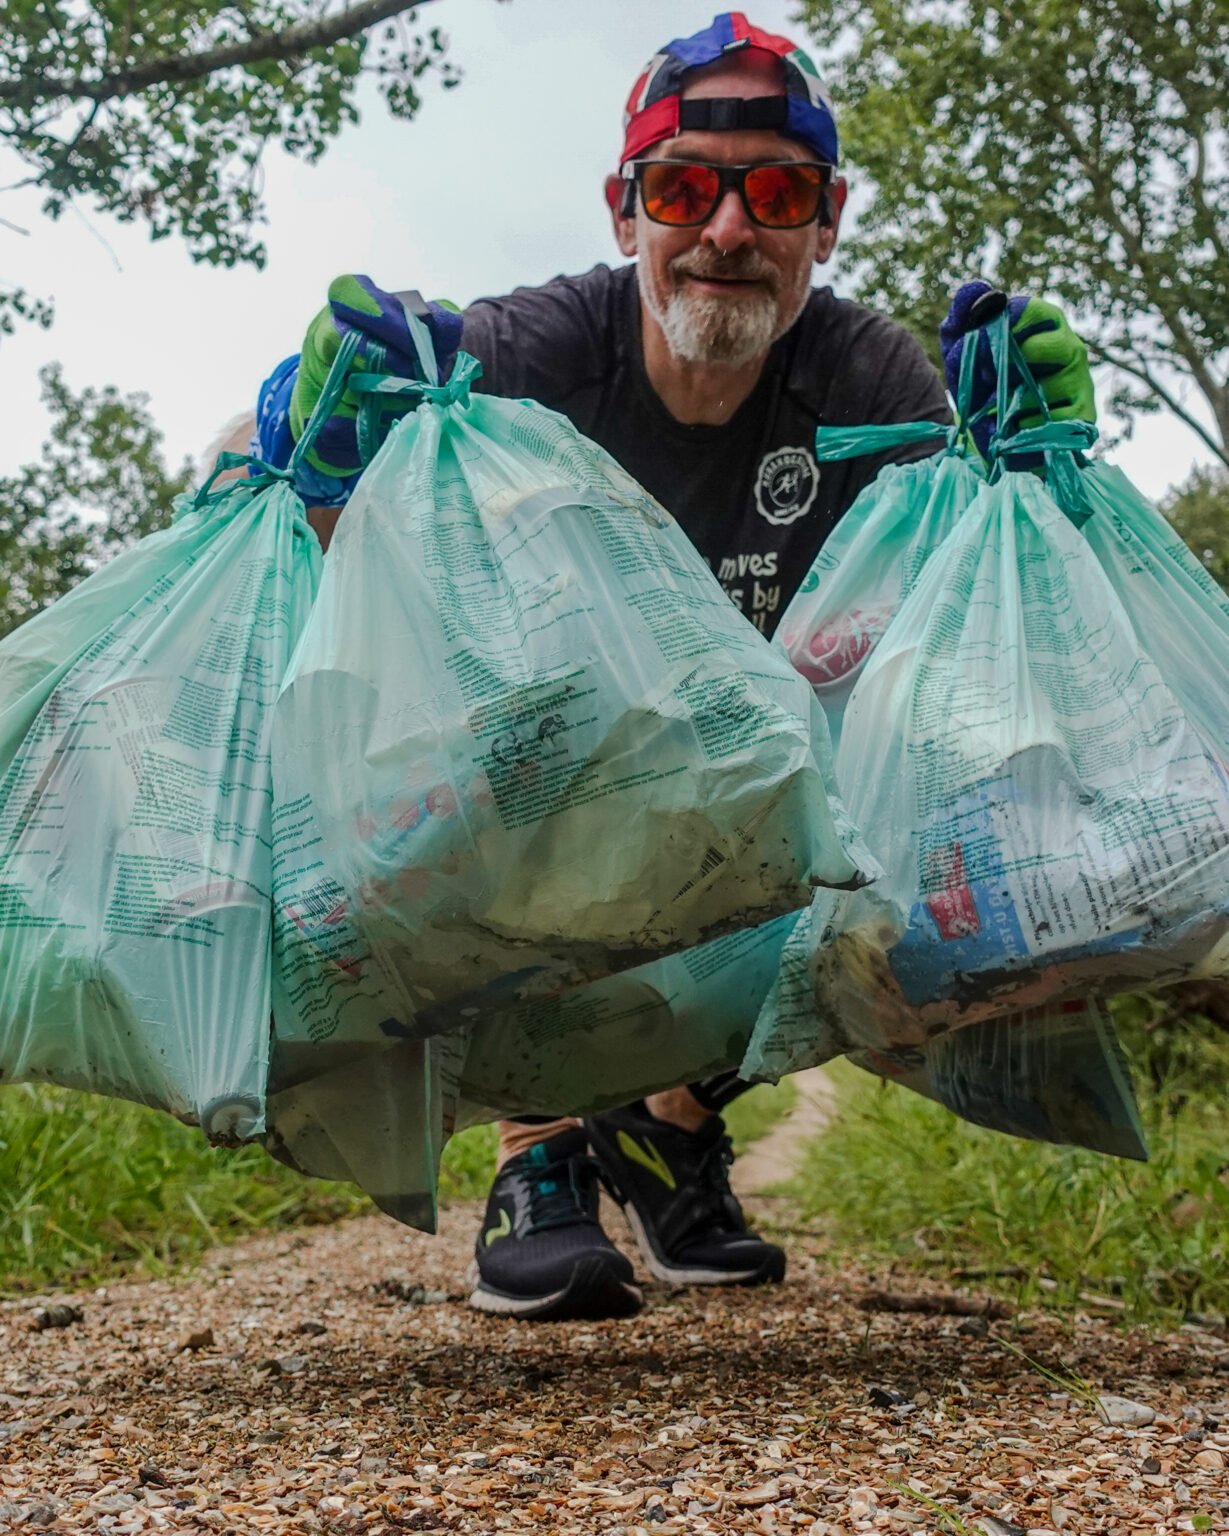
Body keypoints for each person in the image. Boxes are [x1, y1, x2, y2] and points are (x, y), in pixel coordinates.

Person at [244, 12, 1095, 1323]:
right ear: (624, 211)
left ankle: (667, 1126)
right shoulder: (526, 356)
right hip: (548, 786)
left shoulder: (868, 382)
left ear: (827, 221)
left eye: (779, 194)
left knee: (961, 822)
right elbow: (340, 576)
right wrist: (319, 458)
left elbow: (967, 649)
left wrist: (1037, 489)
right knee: (512, 744)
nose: (728, 230)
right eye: (685, 189)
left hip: (761, 804)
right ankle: (538, 1158)